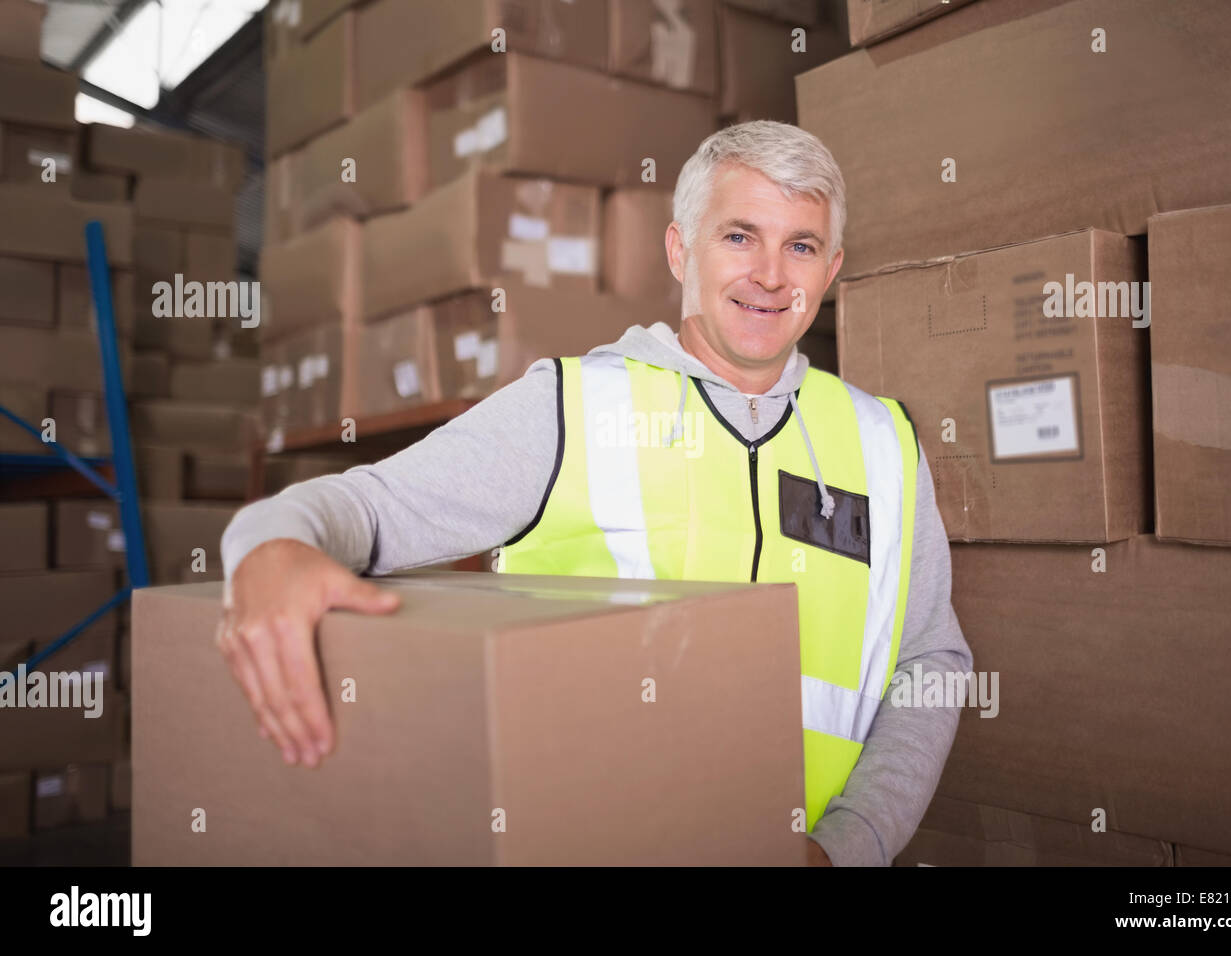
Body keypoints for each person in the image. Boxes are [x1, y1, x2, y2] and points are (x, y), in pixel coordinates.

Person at [219, 120, 972, 867]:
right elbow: (367, 507)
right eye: (739, 236)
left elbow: (931, 660)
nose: (771, 275)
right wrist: (270, 546)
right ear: (680, 249)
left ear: (831, 268)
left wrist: (847, 848)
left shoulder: (884, 445)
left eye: (800, 246)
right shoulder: (571, 408)